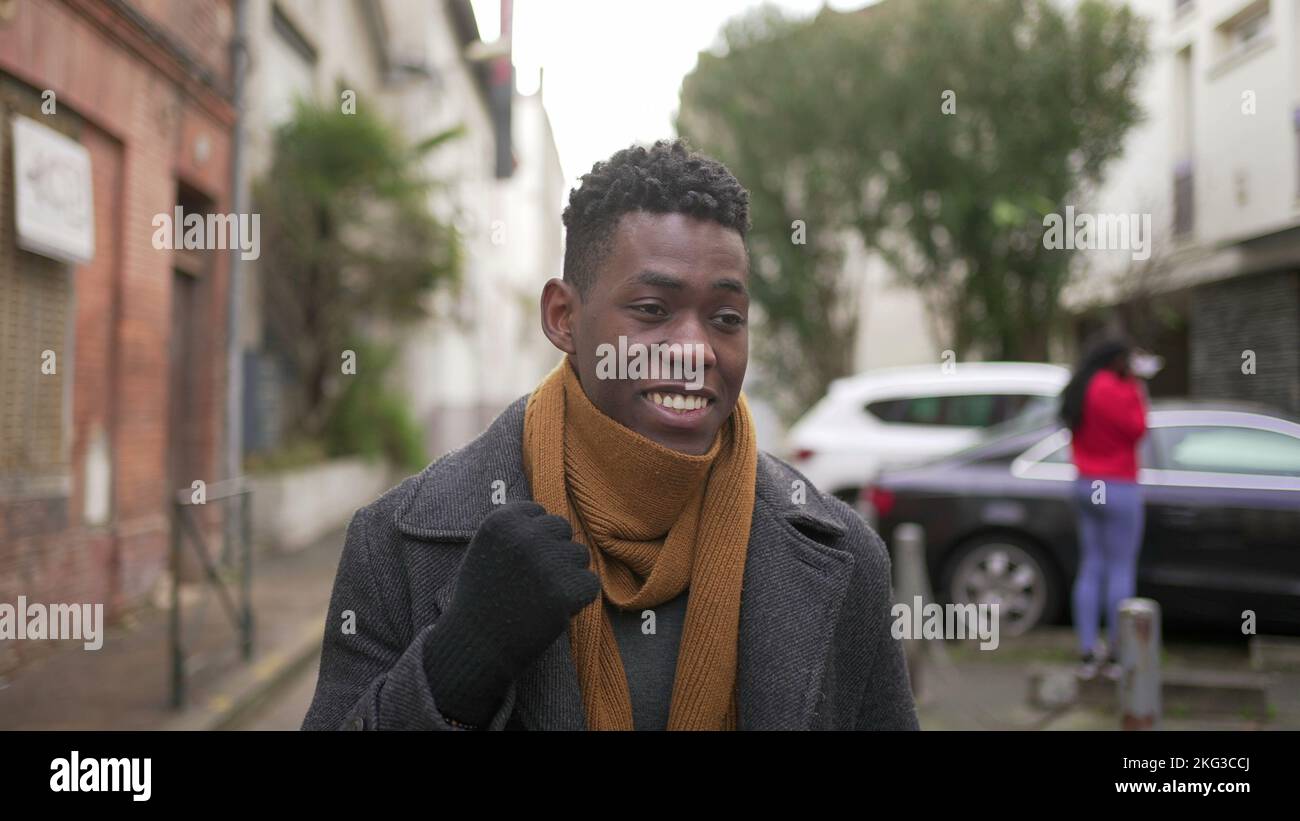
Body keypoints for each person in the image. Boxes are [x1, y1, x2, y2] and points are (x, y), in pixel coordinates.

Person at [301, 139, 918, 731]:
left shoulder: (844, 558)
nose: (694, 350)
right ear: (564, 318)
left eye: (726, 318)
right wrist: (455, 669)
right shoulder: (400, 542)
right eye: (652, 310)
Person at [1059, 336, 1149, 681]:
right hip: (1118, 485)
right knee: (1120, 568)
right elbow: (1138, 429)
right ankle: (1115, 652)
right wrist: (1138, 388)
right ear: (1118, 361)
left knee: (1092, 565)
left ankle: (1086, 650)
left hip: (1087, 484)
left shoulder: (1081, 386)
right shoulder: (1119, 388)